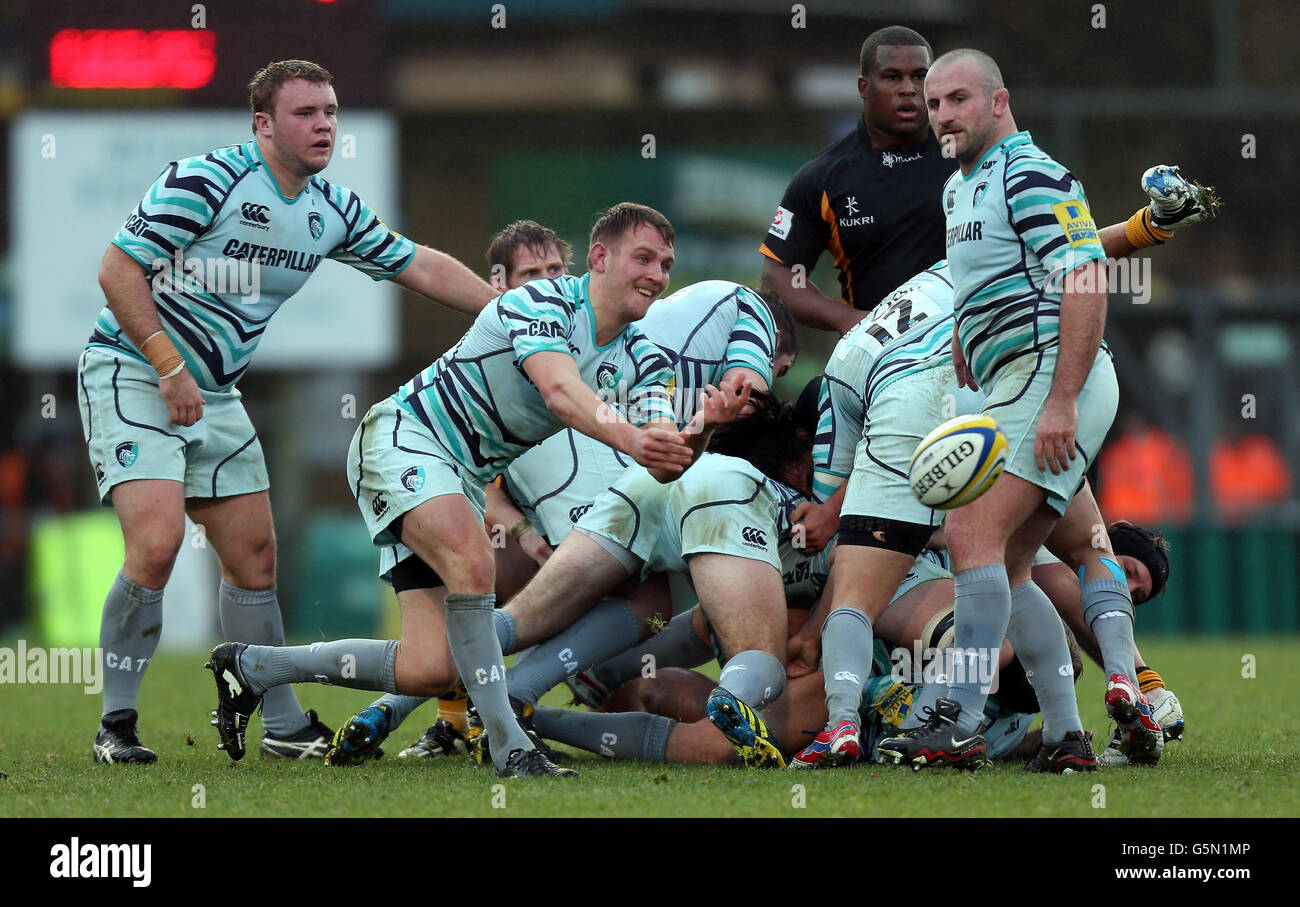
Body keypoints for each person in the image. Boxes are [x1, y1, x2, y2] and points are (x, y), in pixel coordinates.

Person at [206, 202, 754, 779]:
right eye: (643, 257)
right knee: (476, 566)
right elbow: (559, 392)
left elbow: (664, 456)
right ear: (599, 257)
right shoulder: (544, 301)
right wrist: (632, 438)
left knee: (432, 669)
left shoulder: (643, 354)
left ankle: (255, 666)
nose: (657, 275)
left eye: (666, 264)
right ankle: (508, 746)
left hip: (459, 475)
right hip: (404, 439)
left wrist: (702, 428)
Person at [77, 59, 496, 764]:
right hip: (133, 369)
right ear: (263, 125)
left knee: (254, 556)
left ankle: (279, 723)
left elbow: (417, 264)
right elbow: (117, 270)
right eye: (306, 113)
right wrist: (168, 363)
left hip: (213, 389)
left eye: (330, 111)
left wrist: (513, 311)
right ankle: (115, 724)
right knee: (156, 543)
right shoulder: (205, 180)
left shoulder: (329, 208)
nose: (324, 124)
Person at [791, 164, 1216, 769]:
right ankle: (1104, 704)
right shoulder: (1001, 259)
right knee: (1044, 561)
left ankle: (859, 726)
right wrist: (1150, 226)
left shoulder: (867, 340)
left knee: (867, 590)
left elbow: (834, 503)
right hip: (1060, 383)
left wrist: (825, 518)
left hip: (932, 400)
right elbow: (1088, 247)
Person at [875, 49, 1153, 770]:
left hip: (1051, 375)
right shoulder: (960, 186)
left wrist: (1062, 396)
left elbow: (1087, 275)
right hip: (1009, 381)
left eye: (957, 100)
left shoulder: (1031, 171)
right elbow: (988, 277)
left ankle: (958, 715)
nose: (942, 116)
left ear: (999, 102)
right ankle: (1066, 736)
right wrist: (970, 338)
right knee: (1016, 563)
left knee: (970, 528)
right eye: (934, 104)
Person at [759, 25, 956, 334]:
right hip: (879, 359)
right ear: (864, 87)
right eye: (893, 77)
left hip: (970, 348)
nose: (908, 89)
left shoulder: (968, 154)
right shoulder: (822, 176)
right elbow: (778, 274)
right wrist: (851, 321)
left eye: (920, 77)